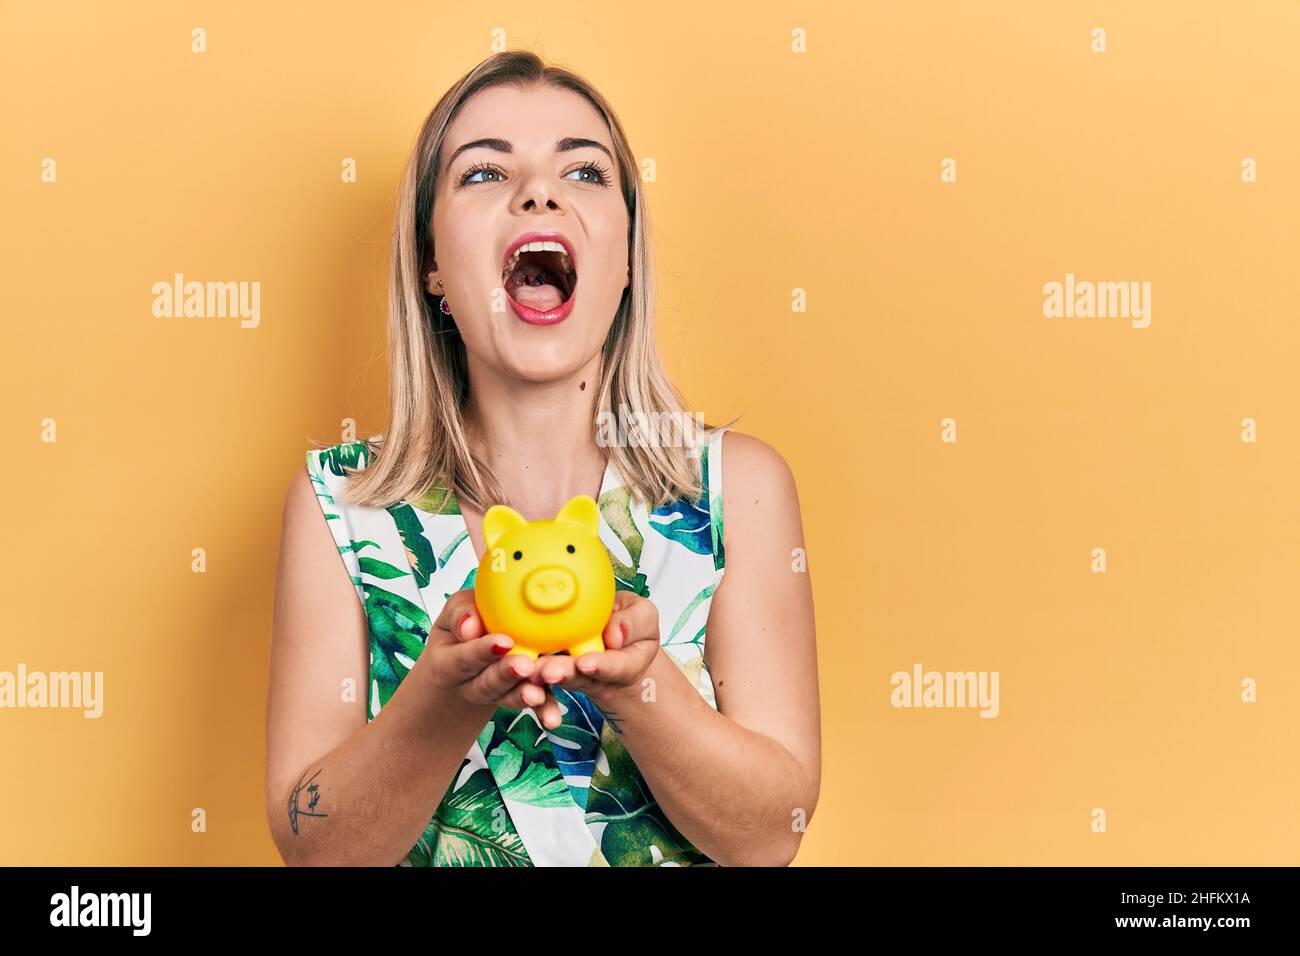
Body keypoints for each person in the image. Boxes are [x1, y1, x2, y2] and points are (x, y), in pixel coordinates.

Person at [265, 50, 820, 866]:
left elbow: (775, 834)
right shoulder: (341, 504)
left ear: (626, 257)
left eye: (585, 171)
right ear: (431, 268)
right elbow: (313, 848)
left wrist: (637, 685)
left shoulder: (739, 488)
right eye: (485, 173)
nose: (538, 190)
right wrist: (443, 699)